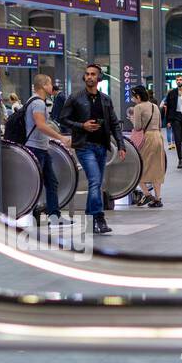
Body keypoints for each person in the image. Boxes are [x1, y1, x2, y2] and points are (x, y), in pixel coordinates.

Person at [58, 63, 127, 235]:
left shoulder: (105, 99)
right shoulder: (75, 98)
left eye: (93, 74)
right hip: (84, 146)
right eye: (87, 74)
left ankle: (90, 219)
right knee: (95, 180)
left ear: (99, 78)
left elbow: (113, 123)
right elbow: (63, 119)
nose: (89, 77)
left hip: (101, 146)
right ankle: (99, 217)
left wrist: (121, 145)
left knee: (97, 182)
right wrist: (82, 125)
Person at [21, 74, 73, 226]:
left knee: (51, 182)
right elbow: (41, 125)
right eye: (50, 84)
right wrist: (60, 137)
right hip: (36, 148)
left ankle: (54, 216)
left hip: (41, 147)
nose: (52, 87)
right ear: (43, 86)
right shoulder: (38, 104)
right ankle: (31, 213)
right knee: (37, 183)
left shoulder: (37, 102)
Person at [128, 85, 165, 208]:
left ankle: (147, 193)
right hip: (158, 137)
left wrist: (132, 119)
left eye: (133, 96)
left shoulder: (138, 107)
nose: (133, 99)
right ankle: (158, 198)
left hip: (147, 138)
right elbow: (160, 123)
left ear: (138, 96)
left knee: (139, 167)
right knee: (157, 168)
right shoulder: (155, 106)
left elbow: (138, 127)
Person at [164, 77, 182, 168]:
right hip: (175, 119)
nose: (179, 81)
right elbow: (168, 107)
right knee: (178, 139)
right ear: (176, 82)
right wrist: (168, 121)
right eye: (177, 80)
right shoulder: (171, 93)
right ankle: (180, 159)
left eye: (180, 80)